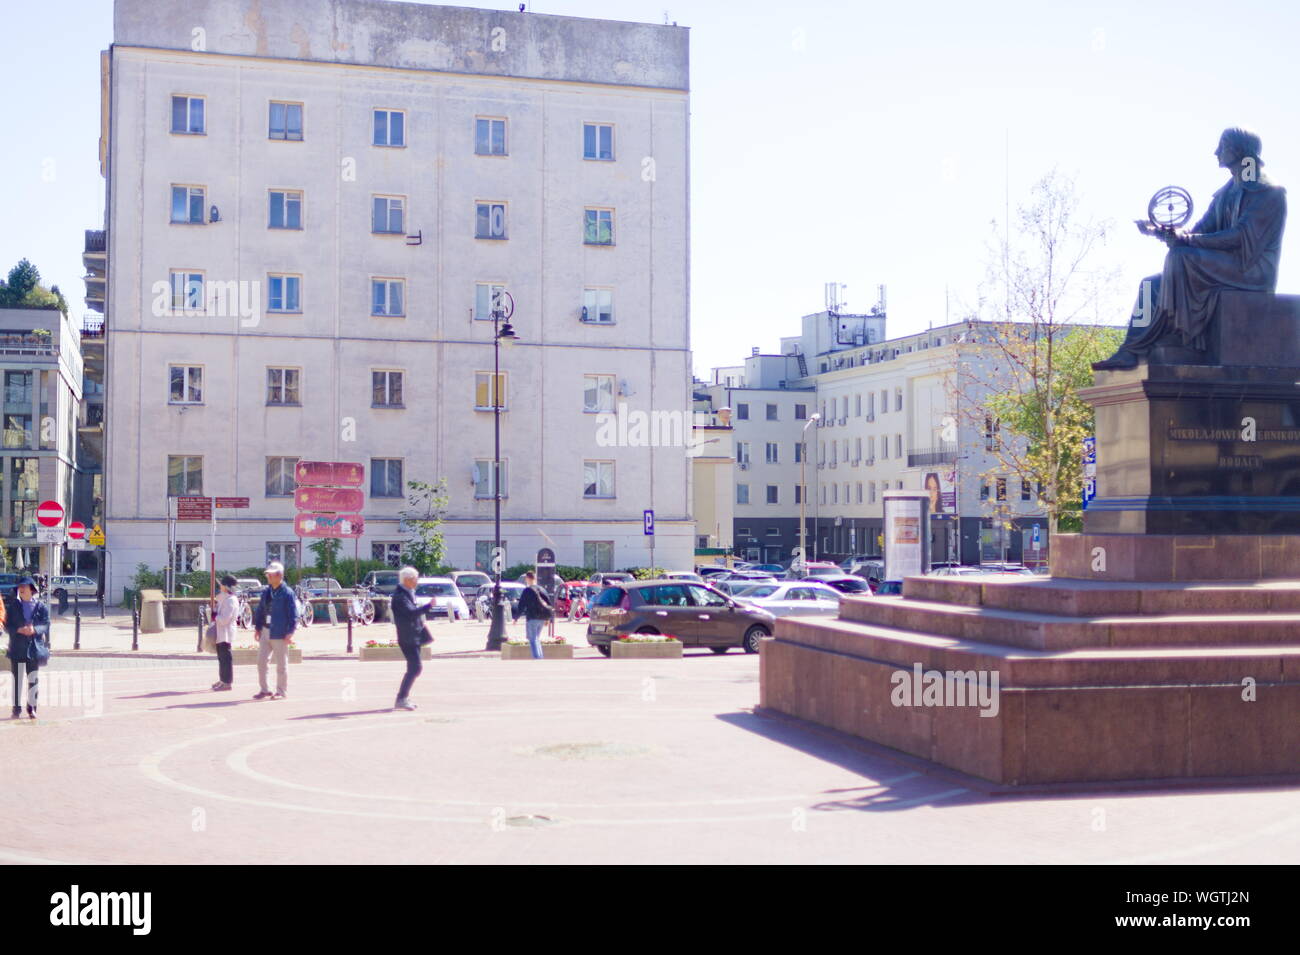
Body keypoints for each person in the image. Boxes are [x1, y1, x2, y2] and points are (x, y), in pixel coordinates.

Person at [1095, 127, 1287, 370]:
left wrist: (1188, 241)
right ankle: (1132, 349)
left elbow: (1239, 237)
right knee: (1150, 284)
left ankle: (1183, 335)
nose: (1216, 152)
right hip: (1222, 267)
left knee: (1181, 256)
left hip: (1251, 270)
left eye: (1223, 146)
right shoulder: (1227, 191)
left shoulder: (1268, 191)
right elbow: (1201, 229)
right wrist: (1161, 231)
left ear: (1240, 150)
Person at [390, 566, 436, 711]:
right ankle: (401, 698)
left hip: (412, 636)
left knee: (414, 668)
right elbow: (410, 613)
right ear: (408, 580)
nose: (417, 582)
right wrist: (428, 606)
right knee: (416, 667)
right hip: (407, 637)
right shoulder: (400, 597)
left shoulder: (408, 593)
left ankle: (403, 697)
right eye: (415, 579)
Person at [251, 561, 296, 700]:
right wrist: (258, 628)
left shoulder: (288, 593)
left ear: (279, 575)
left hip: (280, 632)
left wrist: (290, 632)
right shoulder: (266, 592)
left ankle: (281, 691)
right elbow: (260, 610)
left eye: (271, 575)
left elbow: (293, 614)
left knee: (281, 664)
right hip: (265, 630)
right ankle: (265, 689)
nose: (268, 577)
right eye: (268, 575)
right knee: (261, 661)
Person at [5, 577, 49, 719]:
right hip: (17, 648)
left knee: (33, 680)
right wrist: (18, 629)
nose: (21, 589)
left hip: (33, 649)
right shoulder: (13, 606)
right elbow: (7, 625)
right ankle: (16, 709)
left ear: (32, 589)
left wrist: (34, 629)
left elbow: (46, 624)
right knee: (17, 680)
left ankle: (32, 708)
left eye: (24, 586)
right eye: (20, 587)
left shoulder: (41, 607)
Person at [516, 572, 553, 659]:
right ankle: (540, 656)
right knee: (537, 638)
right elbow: (548, 604)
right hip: (542, 618)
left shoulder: (527, 590)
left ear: (527, 579)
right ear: (535, 578)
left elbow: (522, 605)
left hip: (532, 617)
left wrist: (516, 618)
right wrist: (548, 618)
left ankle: (537, 658)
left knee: (532, 639)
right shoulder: (542, 589)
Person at [210, 575, 239, 691]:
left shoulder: (231, 600)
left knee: (225, 658)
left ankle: (227, 681)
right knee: (221, 657)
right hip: (221, 632)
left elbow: (225, 619)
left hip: (226, 632)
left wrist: (215, 616)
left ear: (226, 587)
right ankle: (223, 679)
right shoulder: (225, 598)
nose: (220, 586)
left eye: (222, 584)